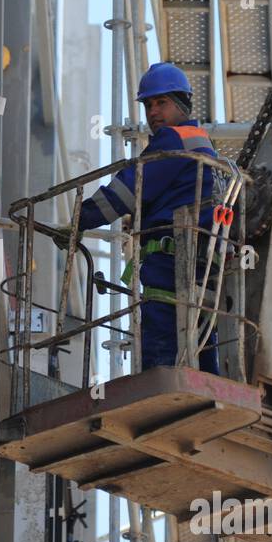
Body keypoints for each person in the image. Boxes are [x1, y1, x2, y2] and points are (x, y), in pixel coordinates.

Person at [68, 62, 221, 374]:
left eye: (161, 103)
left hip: (170, 266)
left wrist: (77, 221)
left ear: (181, 103)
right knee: (201, 354)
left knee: (160, 363)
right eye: (149, 105)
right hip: (202, 269)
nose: (153, 112)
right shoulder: (203, 145)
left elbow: (125, 191)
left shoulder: (174, 141)